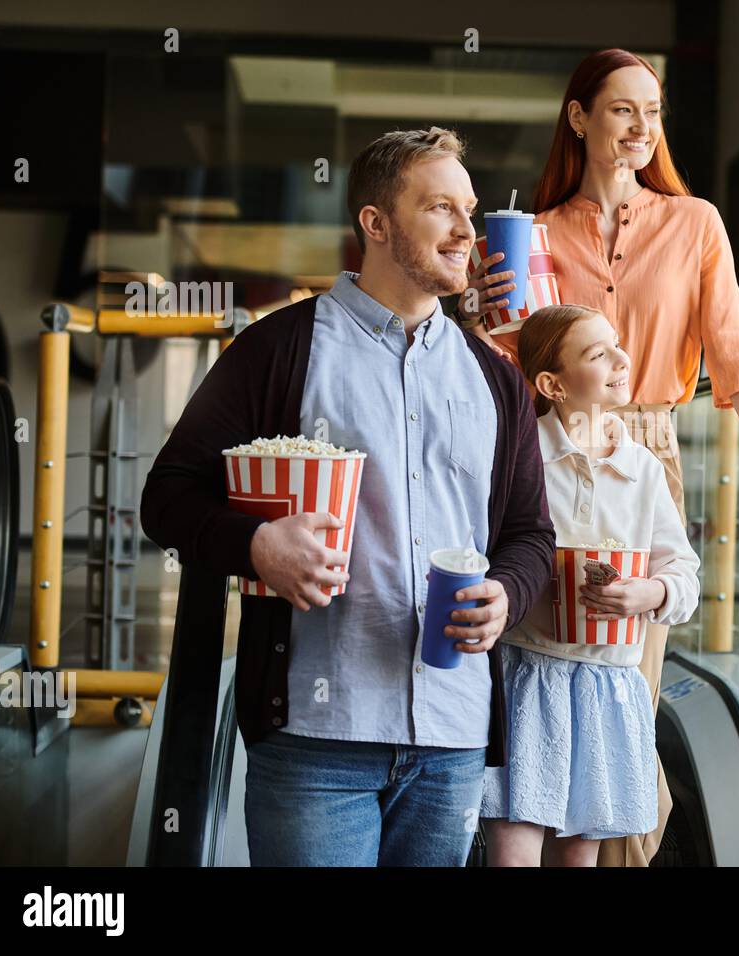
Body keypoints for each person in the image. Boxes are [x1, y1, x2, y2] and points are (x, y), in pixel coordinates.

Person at [456, 48, 739, 866]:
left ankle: (609, 852)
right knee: (529, 663)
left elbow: (733, 346)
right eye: (622, 109)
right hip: (545, 450)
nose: (640, 127)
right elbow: (512, 362)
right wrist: (476, 313)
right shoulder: (541, 232)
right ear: (580, 117)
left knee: (624, 690)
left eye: (652, 112)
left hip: (646, 453)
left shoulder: (693, 222)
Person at [140, 127, 555, 866]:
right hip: (314, 744)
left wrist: (506, 593)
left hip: (451, 742)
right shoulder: (278, 352)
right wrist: (256, 545)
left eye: (471, 209)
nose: (468, 231)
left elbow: (529, 536)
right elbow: (168, 494)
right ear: (376, 223)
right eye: (441, 210)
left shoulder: (498, 381)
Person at [480, 304, 700, 866]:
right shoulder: (516, 455)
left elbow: (683, 573)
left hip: (608, 685)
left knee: (581, 859)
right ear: (552, 384)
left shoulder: (644, 469)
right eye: (600, 353)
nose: (622, 360)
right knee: (513, 851)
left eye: (617, 344)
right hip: (526, 674)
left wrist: (649, 593)